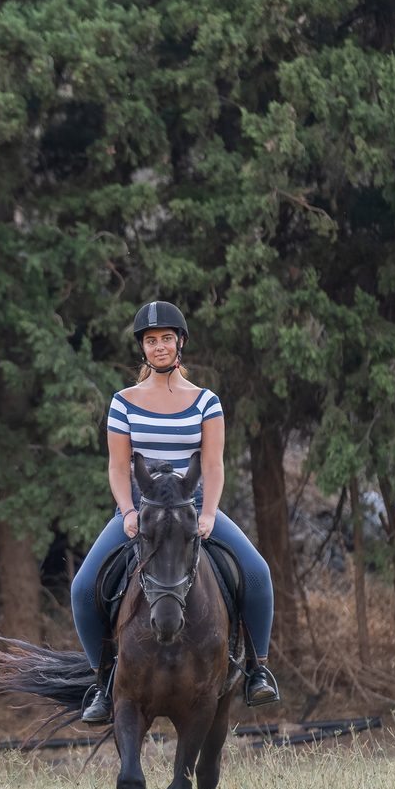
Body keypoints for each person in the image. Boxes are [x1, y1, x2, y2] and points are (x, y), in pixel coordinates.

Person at [70, 302, 281, 724]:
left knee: (257, 574)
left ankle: (257, 669)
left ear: (179, 342)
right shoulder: (122, 402)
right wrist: (127, 511)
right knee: (81, 588)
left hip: (193, 509)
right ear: (142, 349)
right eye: (151, 340)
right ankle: (102, 682)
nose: (160, 346)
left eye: (166, 338)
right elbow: (117, 466)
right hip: (141, 512)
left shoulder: (206, 402)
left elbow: (215, 464)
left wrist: (208, 513)